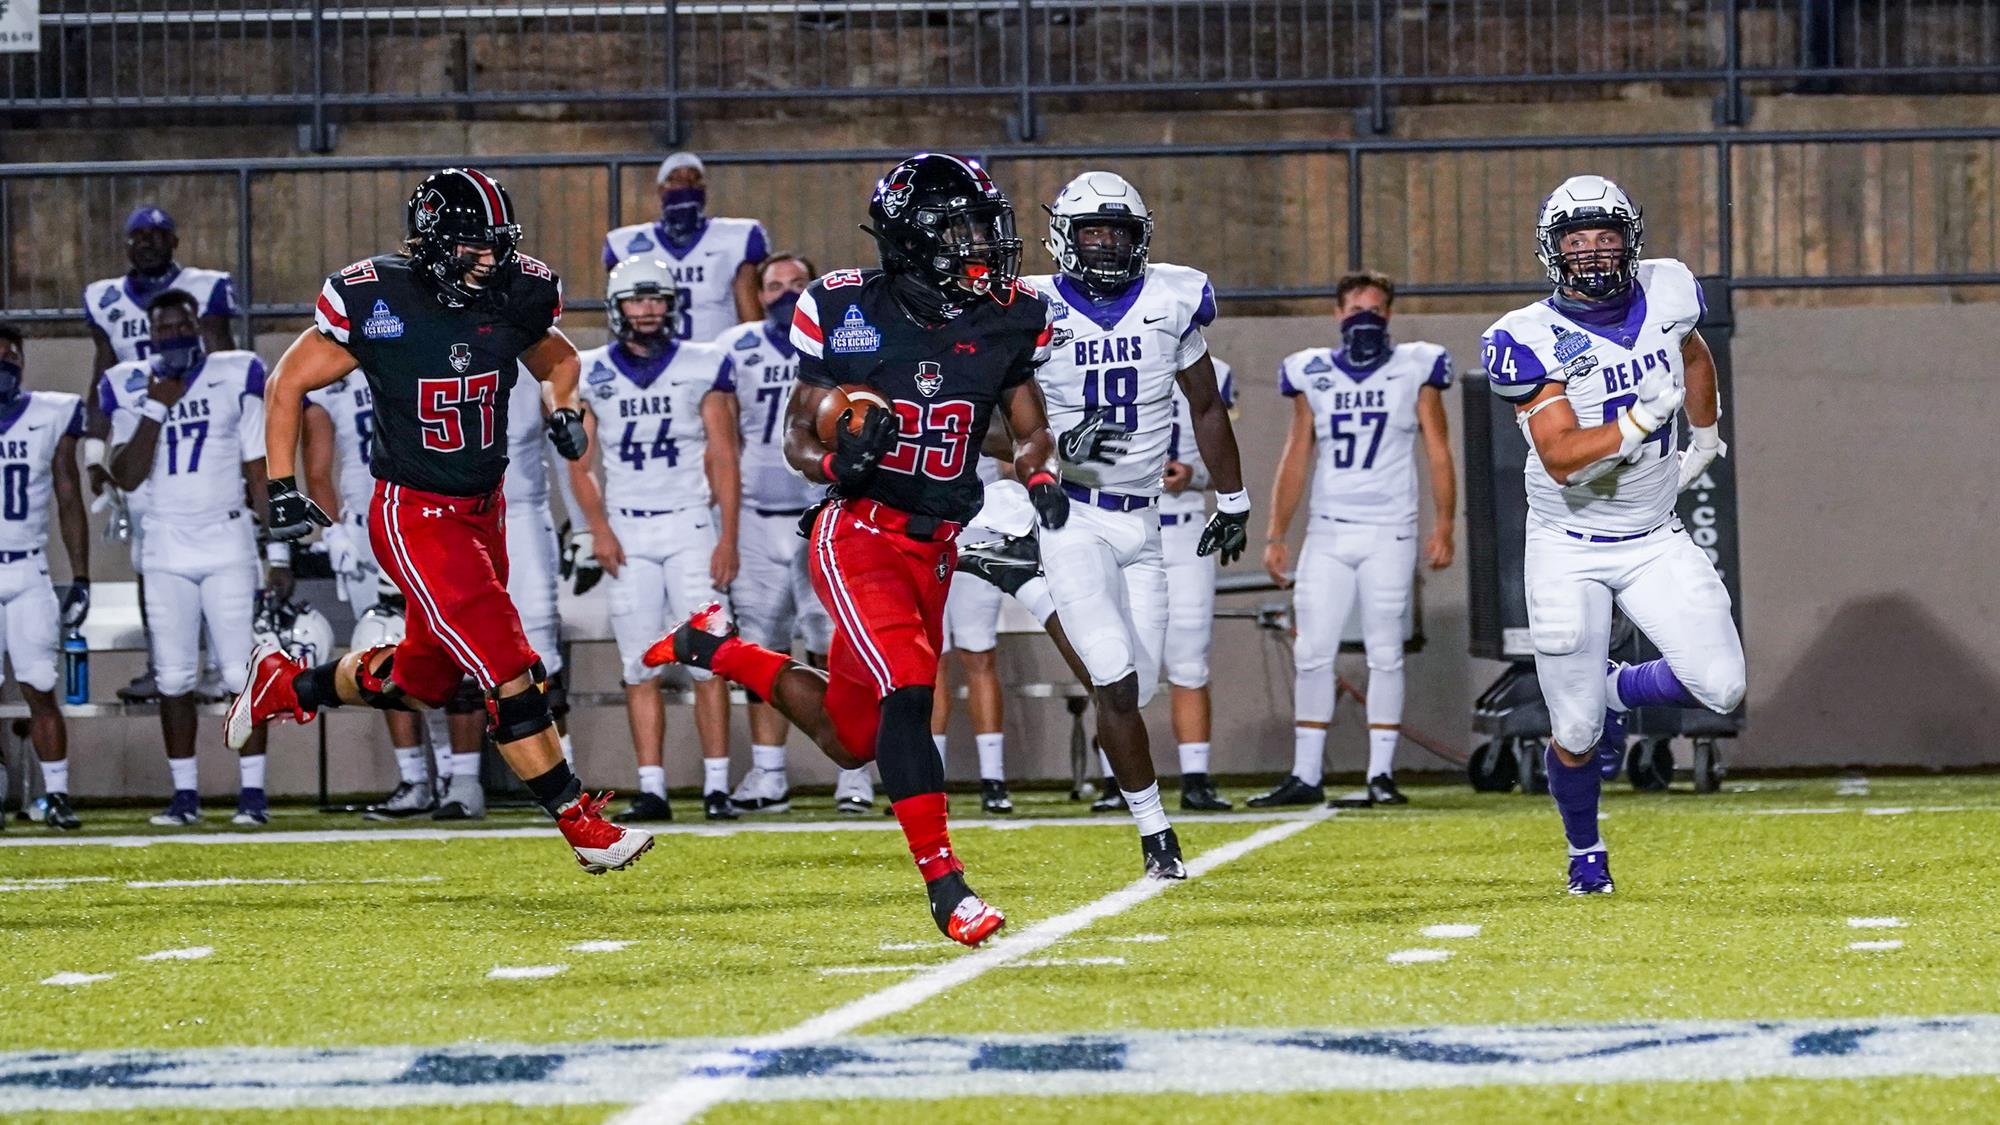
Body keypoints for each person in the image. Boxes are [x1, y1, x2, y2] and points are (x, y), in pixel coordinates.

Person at [645, 152, 1068, 946]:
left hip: (938, 545)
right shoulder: (843, 307)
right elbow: (799, 437)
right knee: (910, 683)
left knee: (853, 736)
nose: (983, 245)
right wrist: (843, 460)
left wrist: (1039, 471)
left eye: (985, 227)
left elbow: (1027, 424)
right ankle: (948, 887)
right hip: (861, 532)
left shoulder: (1008, 313)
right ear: (913, 240)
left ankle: (715, 646)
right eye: (962, 231)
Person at [227, 167, 652, 875]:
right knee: (505, 658)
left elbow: (562, 361)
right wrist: (279, 483)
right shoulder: (378, 297)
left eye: (498, 245)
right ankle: (580, 821)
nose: (492, 261)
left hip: (484, 511)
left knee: (424, 678)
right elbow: (287, 383)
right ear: (430, 245)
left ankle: (286, 683)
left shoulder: (515, 292)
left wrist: (566, 408)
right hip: (414, 513)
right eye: (473, 247)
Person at [1482, 174, 1744, 894]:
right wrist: (1636, 424)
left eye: (1605, 237)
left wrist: (1705, 432)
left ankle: (1617, 686)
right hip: (1569, 546)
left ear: (1632, 240)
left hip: (1654, 533)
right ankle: (1585, 852)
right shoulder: (1523, 337)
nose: (1593, 252)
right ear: (1552, 251)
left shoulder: (1669, 289)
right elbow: (1563, 457)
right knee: (1573, 732)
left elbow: (1692, 352)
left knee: (1722, 686)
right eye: (1577, 240)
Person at [1023, 170, 1249, 877]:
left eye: (1117, 232)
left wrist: (1234, 498)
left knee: (1140, 686)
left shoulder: (1171, 299)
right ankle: (1156, 833)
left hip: (1145, 523)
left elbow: (1206, 406)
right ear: (1065, 236)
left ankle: (1027, 590)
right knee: (1115, 678)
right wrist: (1057, 449)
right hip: (1072, 515)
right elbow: (989, 422)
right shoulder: (1028, 308)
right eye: (1092, 231)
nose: (1105, 245)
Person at [1257, 272, 1458, 807]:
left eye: (1375, 307)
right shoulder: (1311, 371)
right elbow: (1296, 454)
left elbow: (1438, 449)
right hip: (1328, 531)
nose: (1364, 317)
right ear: (1337, 314)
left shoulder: (1415, 366)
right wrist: (1277, 532)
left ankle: (1381, 775)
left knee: (1386, 651)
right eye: (1355, 308)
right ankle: (1305, 774)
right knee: (1312, 650)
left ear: (1389, 314)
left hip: (1389, 530)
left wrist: (1445, 524)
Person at [568, 255, 740, 823]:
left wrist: (727, 537)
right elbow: (580, 461)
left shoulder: (703, 363)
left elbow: (723, 454)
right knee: (639, 663)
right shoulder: (591, 369)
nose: (647, 310)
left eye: (656, 299)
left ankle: (717, 786)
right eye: (636, 300)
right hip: (629, 526)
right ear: (617, 308)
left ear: (672, 303)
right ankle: (653, 789)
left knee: (709, 660)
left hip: (691, 521)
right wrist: (598, 529)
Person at [102, 291, 277, 826]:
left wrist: (282, 549)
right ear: (149, 335)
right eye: (163, 328)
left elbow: (257, 466)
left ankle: (253, 794)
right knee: (173, 677)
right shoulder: (131, 384)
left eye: (181, 325)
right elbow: (124, 474)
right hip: (164, 547)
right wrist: (157, 403)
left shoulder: (236, 370)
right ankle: (185, 796)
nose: (173, 335)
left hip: (227, 541)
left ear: (197, 325)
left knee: (240, 673)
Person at [81, 206, 239, 705]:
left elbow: (224, 359)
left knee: (219, 553)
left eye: (157, 234)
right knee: (150, 560)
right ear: (126, 244)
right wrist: (93, 452)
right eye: (137, 235)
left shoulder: (204, 287)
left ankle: (218, 664)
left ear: (175, 241)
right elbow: (101, 372)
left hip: (199, 434)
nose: (147, 242)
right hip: (139, 439)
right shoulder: (104, 298)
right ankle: (162, 663)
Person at [715, 252, 851, 815]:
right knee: (763, 648)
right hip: (757, 517)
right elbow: (725, 440)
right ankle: (769, 775)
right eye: (774, 286)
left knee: (834, 647)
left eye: (798, 284)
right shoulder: (737, 346)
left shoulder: (842, 340)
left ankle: (854, 776)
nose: (785, 294)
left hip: (825, 513)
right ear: (758, 292)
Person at [0, 323, 91, 830]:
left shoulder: (51, 413)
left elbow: (68, 495)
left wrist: (81, 576)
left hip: (27, 568)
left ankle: (56, 795)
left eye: (11, 358)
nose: (4, 366)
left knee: (39, 684)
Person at [1155, 364, 1236, 811]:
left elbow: (1221, 454)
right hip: (1127, 526)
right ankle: (1117, 783)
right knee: (1119, 661)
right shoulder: (1102, 353)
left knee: (1188, 659)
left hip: (1186, 528)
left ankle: (1196, 779)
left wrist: (1194, 476)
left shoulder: (1215, 372)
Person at [602, 153, 767, 340]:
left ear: (703, 188)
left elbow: (750, 319)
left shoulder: (736, 237)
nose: (686, 186)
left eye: (693, 179)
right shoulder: (625, 244)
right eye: (676, 179)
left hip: (716, 357)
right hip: (655, 360)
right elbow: (621, 315)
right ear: (661, 190)